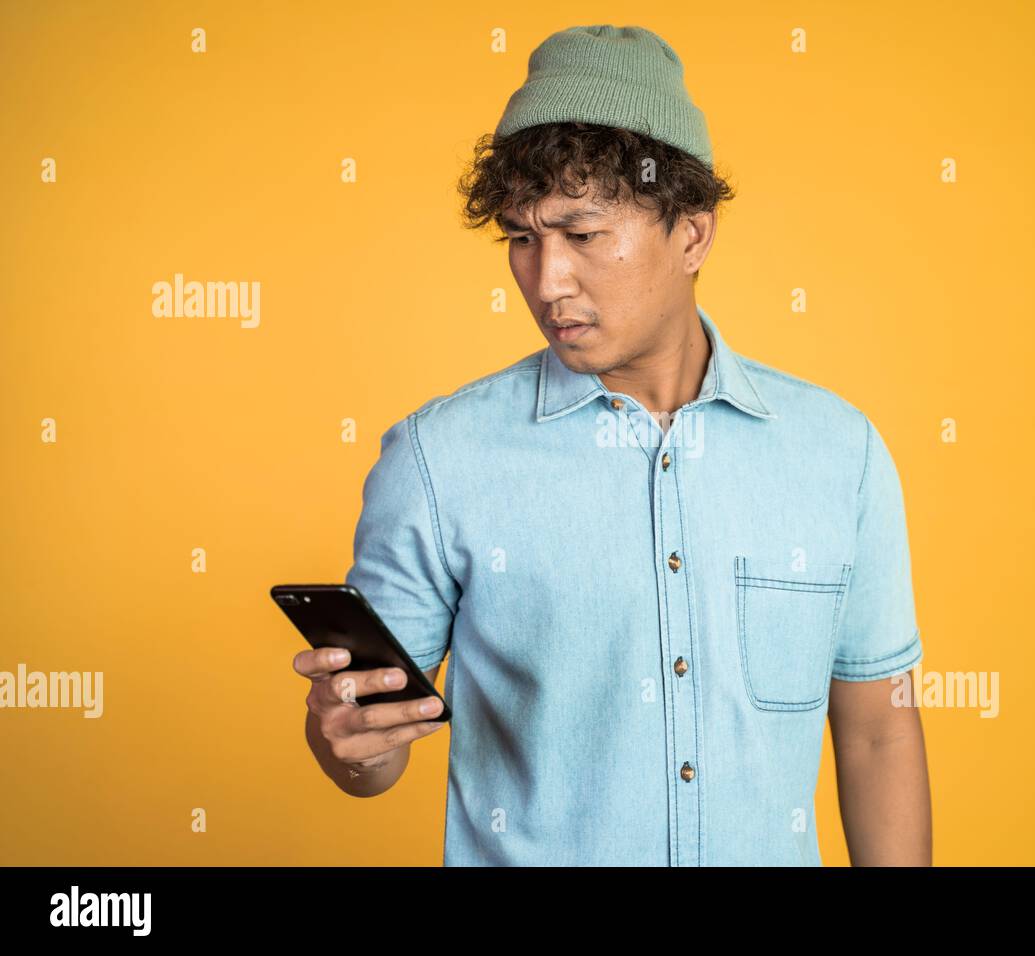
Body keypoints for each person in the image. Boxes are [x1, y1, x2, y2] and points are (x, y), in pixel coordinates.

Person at [294, 23, 931, 866]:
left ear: (693, 235)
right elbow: (371, 749)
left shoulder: (838, 453)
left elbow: (879, 732)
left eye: (582, 234)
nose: (547, 279)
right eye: (523, 238)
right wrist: (348, 743)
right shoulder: (436, 460)